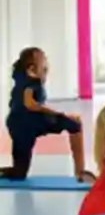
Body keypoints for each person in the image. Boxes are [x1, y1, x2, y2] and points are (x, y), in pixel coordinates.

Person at [1, 47, 94, 183]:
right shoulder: (31, 82)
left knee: (74, 124)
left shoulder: (23, 79)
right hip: (25, 125)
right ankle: (80, 173)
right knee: (19, 172)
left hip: (22, 122)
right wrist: (55, 113)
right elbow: (29, 104)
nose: (46, 65)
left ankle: (80, 172)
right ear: (31, 69)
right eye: (43, 63)